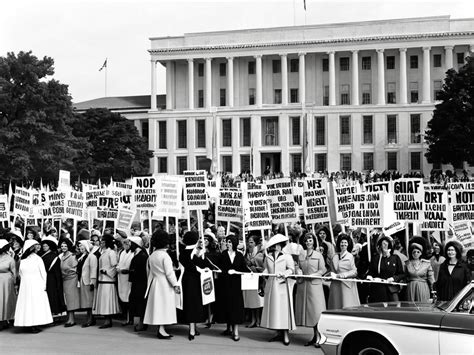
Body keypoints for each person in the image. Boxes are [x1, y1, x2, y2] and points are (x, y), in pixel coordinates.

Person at [260, 234, 295, 346]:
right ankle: (278, 332)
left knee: (283, 310)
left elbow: (291, 269)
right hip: (271, 286)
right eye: (275, 245)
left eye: (279, 245)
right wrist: (263, 274)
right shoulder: (268, 257)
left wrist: (284, 274)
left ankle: (285, 334)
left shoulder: (287, 256)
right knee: (275, 310)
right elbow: (266, 269)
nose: (277, 247)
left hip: (282, 286)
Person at [143, 230, 179, 339]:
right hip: (164, 283)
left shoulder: (152, 255)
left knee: (158, 306)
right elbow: (169, 273)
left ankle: (161, 328)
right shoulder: (165, 256)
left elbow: (148, 271)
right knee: (164, 306)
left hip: (155, 282)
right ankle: (161, 329)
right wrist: (175, 284)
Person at [294, 233, 326, 348]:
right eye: (306, 240)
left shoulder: (318, 255)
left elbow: (323, 269)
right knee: (309, 313)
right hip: (304, 286)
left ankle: (319, 337)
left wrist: (314, 274)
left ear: (314, 242)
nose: (308, 242)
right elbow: (298, 267)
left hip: (315, 286)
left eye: (310, 240)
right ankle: (314, 336)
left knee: (316, 312)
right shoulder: (301, 254)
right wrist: (298, 271)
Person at [14, 240, 53, 333]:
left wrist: (43, 284)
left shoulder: (32, 259)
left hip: (32, 284)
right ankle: (31, 324)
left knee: (31, 304)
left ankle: (32, 323)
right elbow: (19, 274)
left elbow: (43, 273)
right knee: (31, 304)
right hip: (31, 285)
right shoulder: (28, 259)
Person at [215, 234, 248, 341]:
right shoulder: (223, 254)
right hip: (225, 285)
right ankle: (228, 328)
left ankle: (236, 332)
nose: (228, 244)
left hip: (236, 285)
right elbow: (218, 267)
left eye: (230, 242)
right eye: (227, 242)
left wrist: (251, 272)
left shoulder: (239, 255)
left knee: (236, 308)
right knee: (227, 306)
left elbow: (244, 268)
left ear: (234, 243)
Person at [179, 231, 208, 340]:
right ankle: (191, 329)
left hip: (193, 280)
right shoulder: (186, 253)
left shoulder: (193, 252)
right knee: (192, 305)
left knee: (194, 304)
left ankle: (194, 327)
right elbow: (191, 266)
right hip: (191, 280)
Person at [93, 233, 121, 328]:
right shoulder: (104, 252)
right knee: (104, 300)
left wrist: (107, 272)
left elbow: (115, 266)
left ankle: (108, 320)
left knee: (107, 300)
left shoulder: (111, 252)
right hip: (103, 280)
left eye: (103, 241)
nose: (101, 243)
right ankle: (106, 319)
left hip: (108, 280)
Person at [366, 235, 404, 302]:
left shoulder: (395, 258)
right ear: (380, 246)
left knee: (394, 307)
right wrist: (369, 277)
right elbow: (371, 271)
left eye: (386, 244)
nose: (385, 245)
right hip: (378, 289)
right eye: (383, 243)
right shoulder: (376, 258)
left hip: (392, 289)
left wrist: (394, 278)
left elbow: (401, 274)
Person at [328, 234, 360, 310]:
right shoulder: (334, 256)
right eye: (342, 242)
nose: (343, 244)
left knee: (347, 306)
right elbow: (332, 270)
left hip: (347, 285)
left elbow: (354, 271)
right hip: (336, 285)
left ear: (348, 244)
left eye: (345, 242)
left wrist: (343, 275)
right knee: (336, 305)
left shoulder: (350, 256)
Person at [40, 236, 66, 323]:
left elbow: (56, 270)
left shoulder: (54, 257)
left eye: (46, 246)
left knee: (52, 295)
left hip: (52, 279)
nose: (44, 247)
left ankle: (54, 313)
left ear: (50, 247)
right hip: (44, 278)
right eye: (43, 246)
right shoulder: (41, 255)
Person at [243, 234, 264, 328]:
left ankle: (258, 320)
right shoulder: (246, 253)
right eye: (248, 242)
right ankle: (253, 320)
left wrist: (253, 266)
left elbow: (263, 267)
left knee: (258, 300)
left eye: (251, 242)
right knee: (251, 300)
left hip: (258, 279)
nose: (249, 244)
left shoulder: (260, 254)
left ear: (256, 243)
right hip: (249, 279)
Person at [128, 236, 148, 332]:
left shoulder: (142, 256)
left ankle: (142, 323)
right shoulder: (138, 254)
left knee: (140, 303)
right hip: (137, 283)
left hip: (141, 283)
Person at [59, 239, 80, 327]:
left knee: (71, 299)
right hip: (65, 279)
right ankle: (69, 318)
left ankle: (71, 319)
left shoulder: (72, 256)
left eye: (65, 246)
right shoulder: (62, 256)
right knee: (67, 299)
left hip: (71, 279)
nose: (63, 248)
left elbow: (74, 269)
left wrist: (66, 271)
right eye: (62, 246)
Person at [76, 240, 95, 327]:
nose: (80, 248)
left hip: (88, 281)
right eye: (79, 246)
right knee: (86, 301)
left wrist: (92, 282)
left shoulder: (91, 257)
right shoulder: (82, 257)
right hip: (83, 280)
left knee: (89, 301)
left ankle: (90, 319)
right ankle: (89, 318)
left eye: (82, 246)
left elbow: (93, 270)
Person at [0, 239, 17, 330]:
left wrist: (15, 283)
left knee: (6, 300)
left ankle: (6, 319)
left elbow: (14, 272)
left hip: (6, 282)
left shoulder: (10, 258)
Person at [117, 237, 134, 326]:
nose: (125, 245)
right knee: (123, 298)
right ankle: (126, 317)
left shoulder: (133, 253)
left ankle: (130, 318)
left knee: (129, 298)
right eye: (124, 243)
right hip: (121, 278)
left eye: (127, 243)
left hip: (128, 278)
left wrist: (126, 271)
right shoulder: (122, 252)